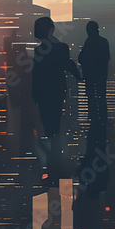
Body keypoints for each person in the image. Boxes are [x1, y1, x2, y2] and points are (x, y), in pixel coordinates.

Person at [31, 17, 81, 179]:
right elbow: (68, 65)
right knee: (55, 123)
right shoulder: (61, 48)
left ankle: (54, 156)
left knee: (50, 123)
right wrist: (79, 76)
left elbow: (36, 74)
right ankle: (55, 156)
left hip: (46, 92)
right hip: (56, 90)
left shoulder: (40, 51)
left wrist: (35, 92)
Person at [78, 20, 110, 135]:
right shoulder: (102, 42)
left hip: (91, 75)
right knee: (100, 97)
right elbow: (106, 59)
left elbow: (81, 58)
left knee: (92, 98)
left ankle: (95, 119)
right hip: (99, 75)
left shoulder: (89, 42)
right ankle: (101, 119)